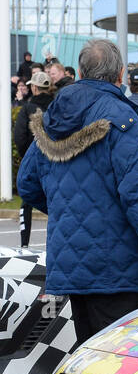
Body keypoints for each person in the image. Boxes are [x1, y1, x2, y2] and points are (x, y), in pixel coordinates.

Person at [17, 39, 138, 343]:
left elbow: (27, 183)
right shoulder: (122, 117)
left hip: (73, 260)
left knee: (89, 355)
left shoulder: (54, 116)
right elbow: (136, 193)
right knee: (119, 362)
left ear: (81, 72)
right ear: (120, 74)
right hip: (118, 263)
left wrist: (69, 210)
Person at [14, 71, 56, 247]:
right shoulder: (56, 107)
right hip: (55, 159)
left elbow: (20, 136)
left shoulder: (28, 108)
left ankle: (24, 243)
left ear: (34, 87)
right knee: (54, 201)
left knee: (27, 199)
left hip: (34, 160)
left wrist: (25, 157)